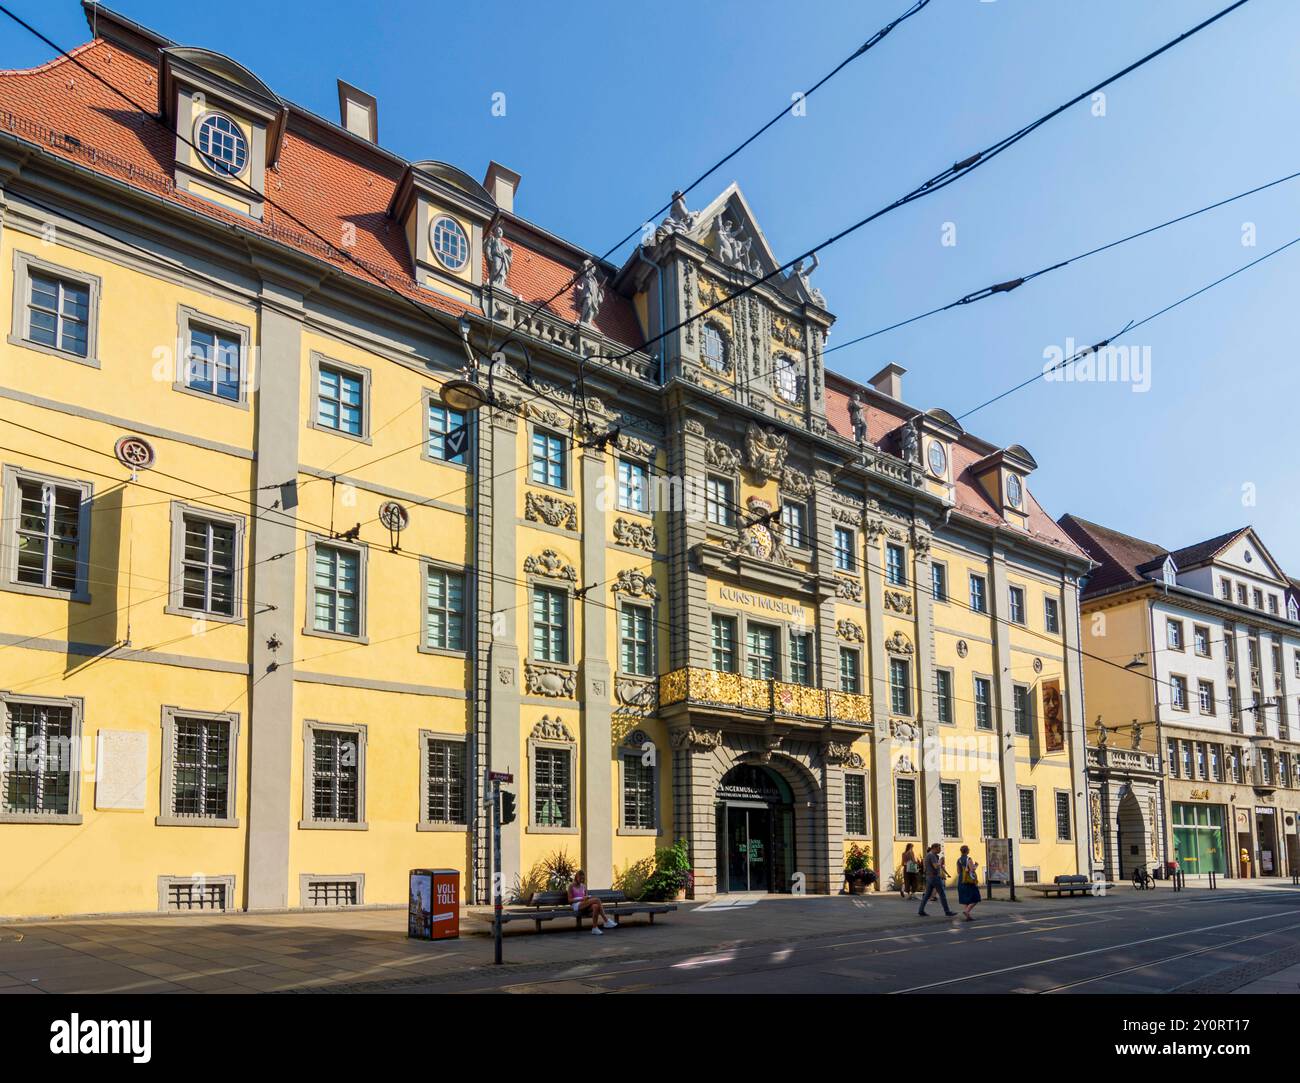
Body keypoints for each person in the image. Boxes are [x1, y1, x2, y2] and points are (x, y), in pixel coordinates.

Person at [568, 870, 617, 935]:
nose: (582, 880)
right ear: (576, 877)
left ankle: (594, 928)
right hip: (576, 905)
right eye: (580, 878)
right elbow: (570, 900)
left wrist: (587, 898)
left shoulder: (584, 886)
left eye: (583, 879)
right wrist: (581, 899)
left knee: (596, 906)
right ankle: (606, 920)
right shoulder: (571, 886)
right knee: (597, 900)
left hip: (584, 903)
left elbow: (586, 897)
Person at [917, 842, 956, 918]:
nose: (940, 850)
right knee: (942, 895)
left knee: (927, 895)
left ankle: (921, 910)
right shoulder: (932, 856)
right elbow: (935, 866)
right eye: (939, 848)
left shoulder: (929, 855)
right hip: (934, 877)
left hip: (929, 877)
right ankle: (947, 911)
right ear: (934, 848)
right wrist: (940, 862)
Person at [956, 845, 981, 921]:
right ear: (967, 851)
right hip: (969, 881)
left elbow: (958, 871)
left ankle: (967, 916)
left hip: (961, 880)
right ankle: (967, 911)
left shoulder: (959, 860)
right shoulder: (969, 859)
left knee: (965, 898)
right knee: (976, 897)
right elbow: (972, 870)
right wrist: (976, 865)